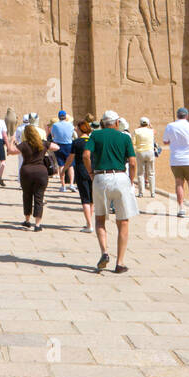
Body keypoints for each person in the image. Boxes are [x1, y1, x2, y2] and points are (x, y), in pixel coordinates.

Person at [84, 110, 139, 273]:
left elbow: (86, 155)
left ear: (102, 123)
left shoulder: (95, 135)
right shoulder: (124, 137)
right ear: (116, 123)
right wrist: (131, 179)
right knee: (123, 221)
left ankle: (105, 252)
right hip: (120, 176)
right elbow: (133, 162)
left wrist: (91, 173)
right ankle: (120, 262)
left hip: (101, 177)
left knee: (100, 219)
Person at [163, 107, 189, 217]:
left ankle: (181, 209)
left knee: (179, 184)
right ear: (187, 115)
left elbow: (165, 141)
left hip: (176, 159)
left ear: (177, 115)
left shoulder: (170, 126)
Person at [16, 116, 53, 231]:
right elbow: (56, 147)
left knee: (27, 195)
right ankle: (37, 225)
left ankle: (27, 220)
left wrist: (9, 142)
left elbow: (12, 151)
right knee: (39, 197)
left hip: (26, 172)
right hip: (41, 172)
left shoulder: (24, 144)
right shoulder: (43, 144)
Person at [64, 119, 95, 231]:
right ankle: (89, 222)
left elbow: (70, 158)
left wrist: (64, 169)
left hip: (81, 171)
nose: (75, 129)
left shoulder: (77, 142)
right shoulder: (93, 140)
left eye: (77, 128)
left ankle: (89, 225)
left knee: (85, 199)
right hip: (93, 171)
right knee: (91, 199)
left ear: (81, 129)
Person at [50, 110, 76, 192]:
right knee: (71, 165)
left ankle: (63, 185)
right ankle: (71, 184)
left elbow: (52, 135)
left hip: (59, 145)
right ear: (65, 117)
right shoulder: (70, 125)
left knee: (61, 165)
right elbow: (73, 135)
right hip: (69, 145)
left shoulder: (55, 125)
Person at [133, 116, 158, 199]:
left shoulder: (136, 131)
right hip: (150, 152)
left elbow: (134, 142)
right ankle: (152, 192)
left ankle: (141, 192)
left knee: (140, 173)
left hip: (140, 152)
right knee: (151, 173)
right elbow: (155, 131)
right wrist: (150, 125)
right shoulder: (151, 131)